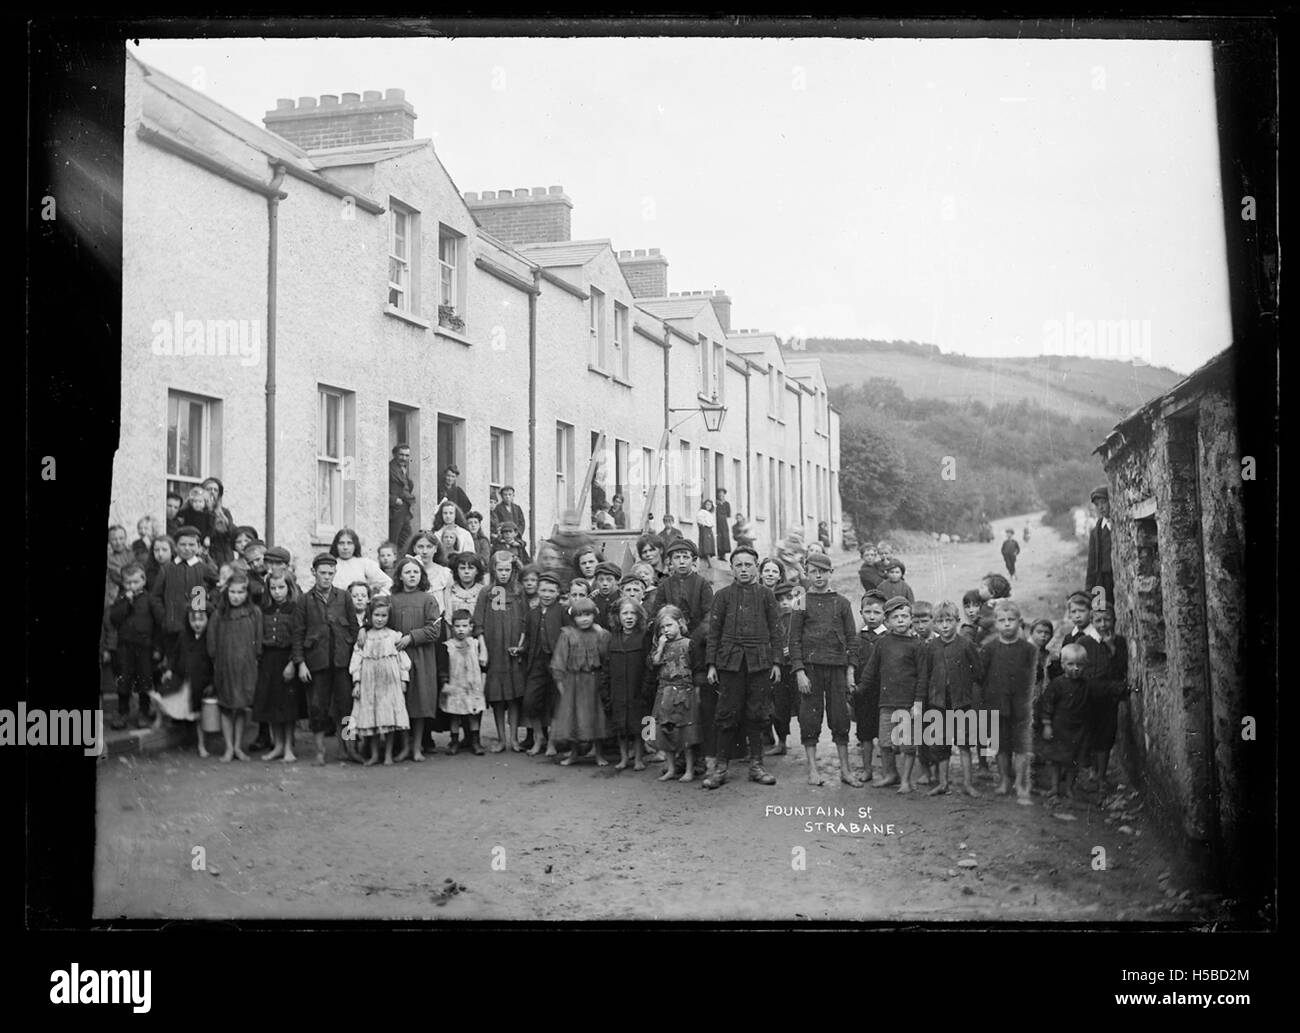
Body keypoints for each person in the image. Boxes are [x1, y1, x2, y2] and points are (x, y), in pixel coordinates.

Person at [702, 546, 783, 790]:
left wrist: (777, 662)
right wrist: (711, 664)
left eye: (749, 565)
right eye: (739, 565)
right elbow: (713, 633)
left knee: (757, 714)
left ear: (756, 568)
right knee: (726, 713)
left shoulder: (766, 596)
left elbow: (777, 631)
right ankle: (721, 767)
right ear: (732, 568)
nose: (744, 569)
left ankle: (756, 765)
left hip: (759, 663)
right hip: (730, 663)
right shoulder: (723, 596)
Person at [790, 552, 861, 787]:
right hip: (810, 669)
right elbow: (794, 640)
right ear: (807, 574)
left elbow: (852, 639)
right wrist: (799, 671)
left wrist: (850, 670)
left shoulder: (842, 603)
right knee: (809, 718)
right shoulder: (801, 602)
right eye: (813, 571)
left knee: (840, 717)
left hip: (837, 669)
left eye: (823, 571)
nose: (818, 575)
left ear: (831, 573)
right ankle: (812, 770)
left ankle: (846, 770)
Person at [291, 553, 360, 766]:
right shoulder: (304, 600)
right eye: (322, 573)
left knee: (346, 707)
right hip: (316, 663)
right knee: (317, 708)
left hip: (342, 661)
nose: (326, 577)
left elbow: (355, 628)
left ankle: (348, 748)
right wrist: (300, 663)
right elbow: (297, 634)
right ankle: (319, 752)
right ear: (314, 573)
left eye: (331, 573)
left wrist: (357, 659)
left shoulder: (344, 597)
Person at [859, 596, 929, 792]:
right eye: (896, 617)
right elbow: (871, 670)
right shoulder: (883, 643)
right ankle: (890, 774)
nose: (900, 620)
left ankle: (906, 780)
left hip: (908, 704)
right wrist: (860, 689)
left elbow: (923, 677)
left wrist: (918, 703)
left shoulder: (917, 645)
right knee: (885, 742)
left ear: (911, 619)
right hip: (886, 702)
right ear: (887, 621)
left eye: (904, 616)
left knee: (907, 745)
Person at [979, 599, 1038, 804]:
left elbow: (1034, 677)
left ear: (1019, 622)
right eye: (1002, 620)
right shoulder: (989, 649)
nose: (1006, 624)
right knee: (1001, 746)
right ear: (995, 623)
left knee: (1021, 746)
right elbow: (981, 676)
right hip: (996, 704)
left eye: (1011, 620)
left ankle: (1021, 784)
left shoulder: (1028, 650)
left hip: (1021, 706)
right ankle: (1004, 780)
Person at [924, 601, 984, 797]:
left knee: (965, 743)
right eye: (940, 621)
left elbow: (978, 672)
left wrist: (968, 693)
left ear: (957, 622)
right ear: (934, 624)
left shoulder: (966, 644)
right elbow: (927, 674)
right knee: (941, 745)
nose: (944, 625)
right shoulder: (931, 647)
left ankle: (968, 783)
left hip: (962, 702)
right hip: (939, 702)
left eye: (949, 620)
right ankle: (943, 783)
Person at [387, 557, 441, 763]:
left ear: (421, 576)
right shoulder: (393, 599)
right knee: (401, 702)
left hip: (421, 657)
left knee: (419, 702)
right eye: (407, 572)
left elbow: (435, 629)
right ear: (400, 576)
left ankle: (418, 746)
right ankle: (404, 746)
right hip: (398, 657)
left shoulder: (428, 600)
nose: (412, 576)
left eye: (416, 572)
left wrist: (412, 637)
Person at [475, 552, 528, 753]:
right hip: (495, 650)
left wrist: (521, 645)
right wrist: (484, 650)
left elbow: (525, 622)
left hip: (513, 650)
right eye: (500, 569)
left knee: (514, 696)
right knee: (498, 697)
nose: (504, 574)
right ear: (493, 570)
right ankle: (501, 739)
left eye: (507, 570)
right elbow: (478, 623)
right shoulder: (486, 592)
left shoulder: (519, 592)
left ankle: (514, 738)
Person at [207, 570, 262, 763]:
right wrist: (217, 665)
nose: (236, 596)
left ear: (247, 594)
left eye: (240, 592)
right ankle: (228, 747)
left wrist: (253, 661)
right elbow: (212, 645)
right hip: (225, 667)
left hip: (246, 668)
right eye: (232, 592)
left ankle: (238, 746)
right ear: (226, 592)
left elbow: (258, 643)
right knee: (226, 707)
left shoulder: (254, 613)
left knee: (241, 708)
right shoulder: (218, 614)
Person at [349, 596, 411, 766]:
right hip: (370, 682)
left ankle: (388, 754)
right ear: (370, 615)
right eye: (376, 615)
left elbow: (402, 660)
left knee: (389, 717)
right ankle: (375, 754)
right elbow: (357, 660)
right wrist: (357, 682)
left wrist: (404, 679)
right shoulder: (364, 637)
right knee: (373, 718)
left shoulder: (393, 636)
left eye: (384, 616)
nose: (380, 619)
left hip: (390, 682)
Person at [550, 597, 611, 766]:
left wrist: (602, 634)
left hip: (595, 682)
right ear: (573, 617)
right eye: (579, 615)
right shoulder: (567, 634)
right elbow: (559, 661)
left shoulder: (600, 634)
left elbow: (607, 656)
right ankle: (574, 753)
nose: (584, 619)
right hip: (574, 683)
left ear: (594, 615)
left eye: (588, 614)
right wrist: (562, 687)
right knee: (574, 718)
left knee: (596, 717)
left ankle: (599, 754)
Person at [251, 570, 301, 763]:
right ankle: (278, 745)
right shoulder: (265, 609)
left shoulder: (295, 608)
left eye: (281, 587)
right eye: (273, 588)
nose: (277, 592)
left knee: (287, 707)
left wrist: (292, 663)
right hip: (268, 660)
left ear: (289, 588)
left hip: (286, 660)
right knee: (271, 704)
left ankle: (289, 747)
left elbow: (298, 636)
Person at [149, 525, 218, 659]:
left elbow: (219, 585)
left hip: (196, 626)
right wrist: (164, 617)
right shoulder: (168, 569)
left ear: (198, 546)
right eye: (183, 544)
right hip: (173, 626)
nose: (187, 548)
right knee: (174, 662)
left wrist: (208, 599)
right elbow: (155, 597)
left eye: (191, 544)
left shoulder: (203, 568)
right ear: (175, 547)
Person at [649, 604, 700, 782]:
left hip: (684, 691)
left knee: (685, 732)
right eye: (662, 627)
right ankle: (670, 768)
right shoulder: (660, 645)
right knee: (665, 731)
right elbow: (655, 662)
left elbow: (694, 666)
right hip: (665, 692)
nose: (666, 630)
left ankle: (689, 769)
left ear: (680, 623)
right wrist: (661, 646)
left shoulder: (688, 644)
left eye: (669, 625)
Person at [157, 605, 215, 757]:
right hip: (182, 678)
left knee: (198, 714)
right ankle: (163, 720)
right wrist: (169, 670)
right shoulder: (183, 636)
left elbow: (215, 664)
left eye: (201, 620)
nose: (197, 624)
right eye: (193, 620)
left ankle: (201, 745)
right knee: (164, 690)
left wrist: (212, 683)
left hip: (201, 682)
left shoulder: (211, 638)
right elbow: (174, 656)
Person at [1039, 642, 1093, 801]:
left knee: (1073, 761)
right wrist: (1047, 724)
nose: (1075, 669)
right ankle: (1055, 787)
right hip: (1059, 727)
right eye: (1070, 664)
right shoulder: (1058, 684)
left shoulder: (1086, 684)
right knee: (1056, 759)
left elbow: (1090, 704)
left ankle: (1069, 787)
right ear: (1062, 665)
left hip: (1078, 728)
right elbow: (1047, 703)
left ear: (1085, 666)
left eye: (1080, 665)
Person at [1084, 602, 1129, 790]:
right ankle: (1092, 770)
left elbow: (1119, 669)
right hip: (1089, 697)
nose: (1103, 625)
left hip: (1109, 697)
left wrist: (1111, 648)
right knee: (1089, 734)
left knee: (1106, 735)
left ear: (1114, 620)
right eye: (1098, 620)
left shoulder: (1119, 643)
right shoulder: (1084, 642)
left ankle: (1102, 775)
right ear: (1092, 621)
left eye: (1107, 620)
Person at [606, 598, 654, 771]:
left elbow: (649, 666)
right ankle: (624, 757)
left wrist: (645, 688)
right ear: (618, 617)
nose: (628, 617)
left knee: (639, 725)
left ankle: (639, 758)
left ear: (639, 616)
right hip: (617, 689)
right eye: (624, 613)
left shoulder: (644, 637)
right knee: (621, 725)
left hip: (637, 688)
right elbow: (606, 667)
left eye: (633, 613)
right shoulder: (613, 638)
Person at [522, 571, 567, 755]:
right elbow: (528, 639)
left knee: (556, 702)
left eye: (551, 591)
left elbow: (568, 637)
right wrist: (521, 650)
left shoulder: (563, 612)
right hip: (537, 662)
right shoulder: (532, 614)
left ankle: (552, 743)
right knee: (530, 701)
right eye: (543, 590)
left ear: (557, 593)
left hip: (557, 663)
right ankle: (539, 737)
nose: (547, 594)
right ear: (538, 591)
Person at [108, 563, 157, 730]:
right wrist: (126, 603)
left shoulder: (149, 599)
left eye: (136, 582)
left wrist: (157, 648)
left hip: (144, 647)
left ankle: (144, 712)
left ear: (143, 580)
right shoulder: (121, 599)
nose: (132, 586)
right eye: (128, 583)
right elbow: (114, 619)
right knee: (124, 680)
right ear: (123, 583)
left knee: (144, 680)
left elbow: (157, 622)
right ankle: (122, 712)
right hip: (125, 648)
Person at [850, 589, 888, 782]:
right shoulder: (857, 638)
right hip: (863, 692)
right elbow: (852, 662)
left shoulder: (888, 638)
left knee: (885, 734)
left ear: (884, 615)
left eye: (877, 613)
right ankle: (867, 770)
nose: (872, 617)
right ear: (861, 613)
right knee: (865, 734)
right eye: (868, 612)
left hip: (884, 693)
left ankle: (888, 772)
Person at [440, 609, 488, 756]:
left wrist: (482, 684)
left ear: (470, 627)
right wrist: (444, 683)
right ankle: (454, 742)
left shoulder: (474, 644)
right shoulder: (447, 646)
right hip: (455, 687)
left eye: (464, 626)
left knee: (473, 714)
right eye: (457, 626)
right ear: (452, 627)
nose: (461, 629)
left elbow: (483, 666)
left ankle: (475, 741)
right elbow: (442, 667)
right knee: (455, 715)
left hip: (472, 687)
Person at [765, 582, 798, 757]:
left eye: (789, 598)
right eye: (781, 600)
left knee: (804, 707)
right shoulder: (773, 620)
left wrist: (793, 649)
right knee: (779, 707)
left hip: (799, 668)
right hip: (780, 668)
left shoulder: (801, 617)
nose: (785, 603)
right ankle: (782, 742)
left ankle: (810, 745)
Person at [656, 538, 714, 634]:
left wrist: (698, 636)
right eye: (677, 557)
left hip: (697, 637)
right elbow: (657, 613)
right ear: (670, 561)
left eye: (686, 557)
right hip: (671, 635)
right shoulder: (665, 585)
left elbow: (709, 614)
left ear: (693, 560)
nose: (681, 562)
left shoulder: (702, 584)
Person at [330, 528, 392, 596]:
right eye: (341, 543)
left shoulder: (365, 563)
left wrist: (376, 598)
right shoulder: (330, 564)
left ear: (355, 545)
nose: (345, 547)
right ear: (336, 545)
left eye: (349, 543)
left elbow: (387, 582)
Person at [1085, 485, 1114, 607]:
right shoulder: (1095, 532)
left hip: (1115, 578)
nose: (1101, 507)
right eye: (1097, 505)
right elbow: (1091, 564)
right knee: (1101, 611)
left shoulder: (1117, 527)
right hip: (1101, 580)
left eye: (1103, 502)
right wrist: (1089, 589)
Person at [200, 477, 238, 567]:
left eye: (215, 490)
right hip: (208, 557)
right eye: (209, 489)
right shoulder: (198, 512)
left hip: (225, 557)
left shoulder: (224, 512)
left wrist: (226, 522)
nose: (212, 492)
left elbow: (232, 534)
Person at [389, 444, 416, 551]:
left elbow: (406, 487)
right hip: (395, 509)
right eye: (401, 455)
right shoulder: (389, 469)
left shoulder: (403, 469)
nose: (404, 458)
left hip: (405, 509)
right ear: (394, 454)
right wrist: (393, 500)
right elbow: (379, 490)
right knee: (394, 540)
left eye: (406, 455)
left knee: (407, 540)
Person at [696, 499, 717, 567]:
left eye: (710, 505)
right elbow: (699, 521)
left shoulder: (710, 513)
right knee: (706, 545)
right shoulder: (702, 512)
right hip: (704, 529)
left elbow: (711, 523)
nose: (708, 506)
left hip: (709, 529)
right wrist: (703, 525)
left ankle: (708, 561)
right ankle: (709, 563)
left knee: (709, 545)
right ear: (704, 505)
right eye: (707, 504)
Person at [714, 488, 732, 560]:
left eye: (722, 494)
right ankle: (719, 553)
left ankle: (723, 555)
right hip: (717, 522)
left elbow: (728, 514)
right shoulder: (716, 503)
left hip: (724, 522)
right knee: (719, 537)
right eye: (719, 494)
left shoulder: (727, 504)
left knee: (724, 537)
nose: (721, 495)